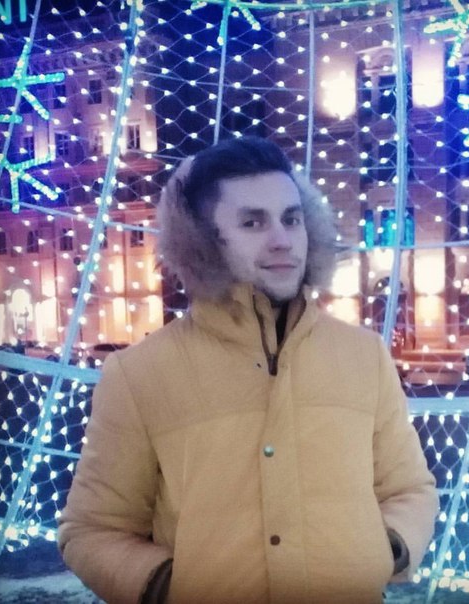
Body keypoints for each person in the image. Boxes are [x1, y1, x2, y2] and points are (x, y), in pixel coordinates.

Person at [58, 136, 438, 604]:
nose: (281, 240)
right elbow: (93, 529)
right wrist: (165, 586)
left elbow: (409, 488)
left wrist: (385, 548)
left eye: (291, 219)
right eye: (253, 222)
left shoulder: (363, 355)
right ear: (203, 241)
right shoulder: (140, 375)